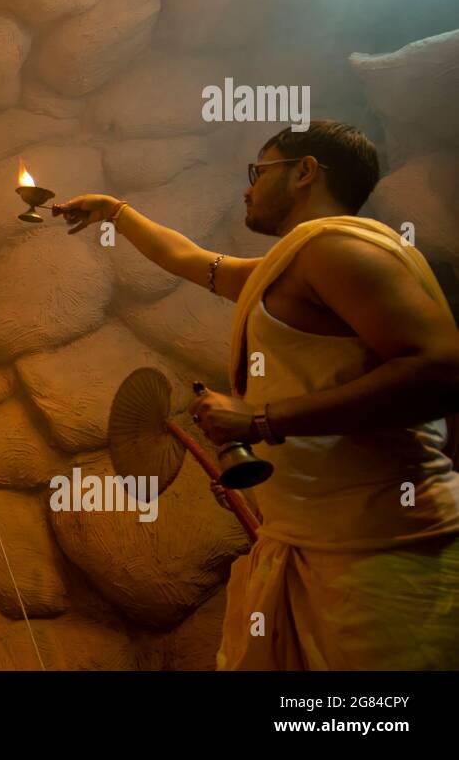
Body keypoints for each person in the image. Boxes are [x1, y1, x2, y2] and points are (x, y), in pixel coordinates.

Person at [55, 119, 459, 670]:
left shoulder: (335, 251)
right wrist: (115, 212)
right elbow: (190, 260)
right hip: (321, 549)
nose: (247, 188)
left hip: (380, 554)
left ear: (305, 172)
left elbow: (440, 369)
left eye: (258, 170)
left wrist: (262, 420)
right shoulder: (292, 266)